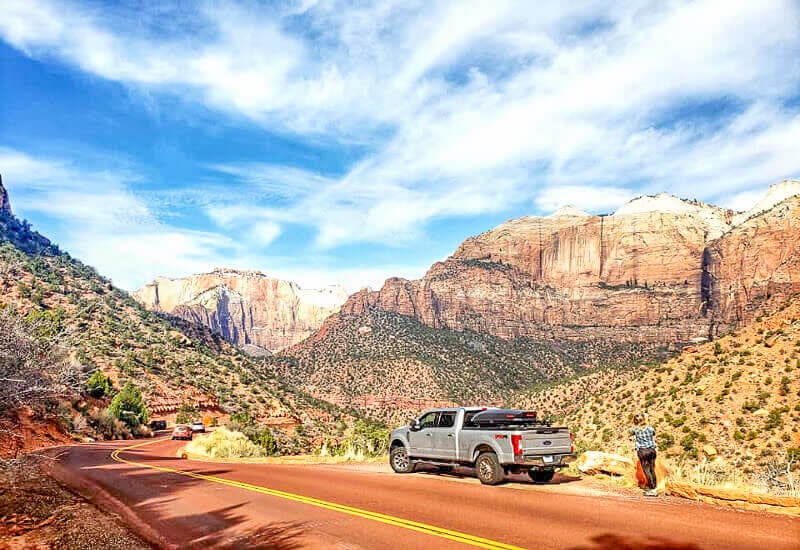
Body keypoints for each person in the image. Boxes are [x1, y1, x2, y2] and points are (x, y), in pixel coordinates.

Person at [632, 413, 658, 496]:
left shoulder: (636, 430)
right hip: (652, 450)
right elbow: (653, 434)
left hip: (643, 452)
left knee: (646, 470)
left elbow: (631, 435)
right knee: (652, 469)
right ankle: (654, 487)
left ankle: (651, 489)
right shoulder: (650, 428)